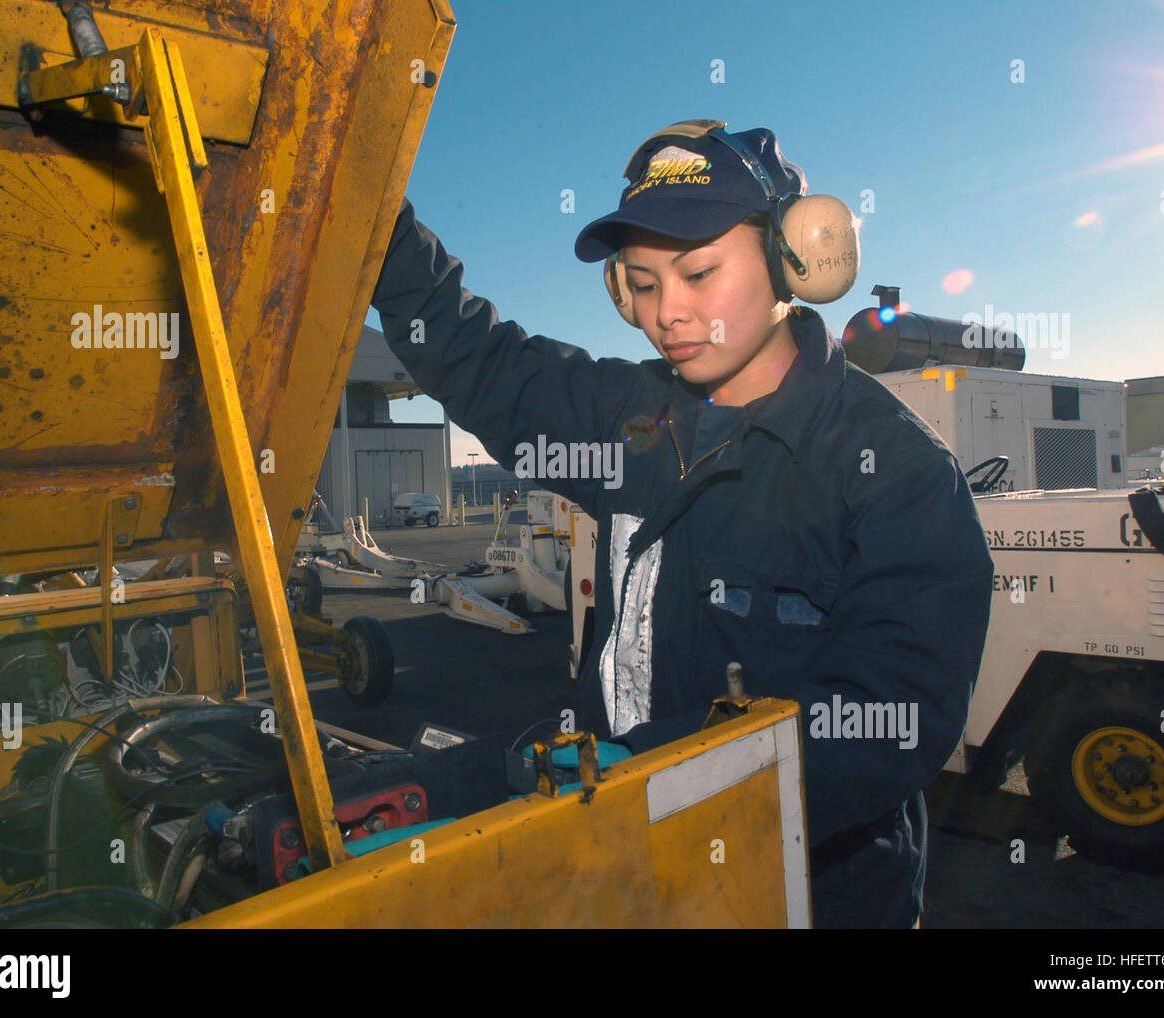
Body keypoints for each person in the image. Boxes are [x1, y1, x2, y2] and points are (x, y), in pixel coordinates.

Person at [371, 119, 994, 928]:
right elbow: (478, 360)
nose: (670, 313)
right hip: (615, 878)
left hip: (794, 901)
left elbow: (889, 719)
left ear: (792, 260)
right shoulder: (628, 421)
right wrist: (376, 219)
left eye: (698, 273)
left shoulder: (894, 472)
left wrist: (637, 774)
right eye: (643, 282)